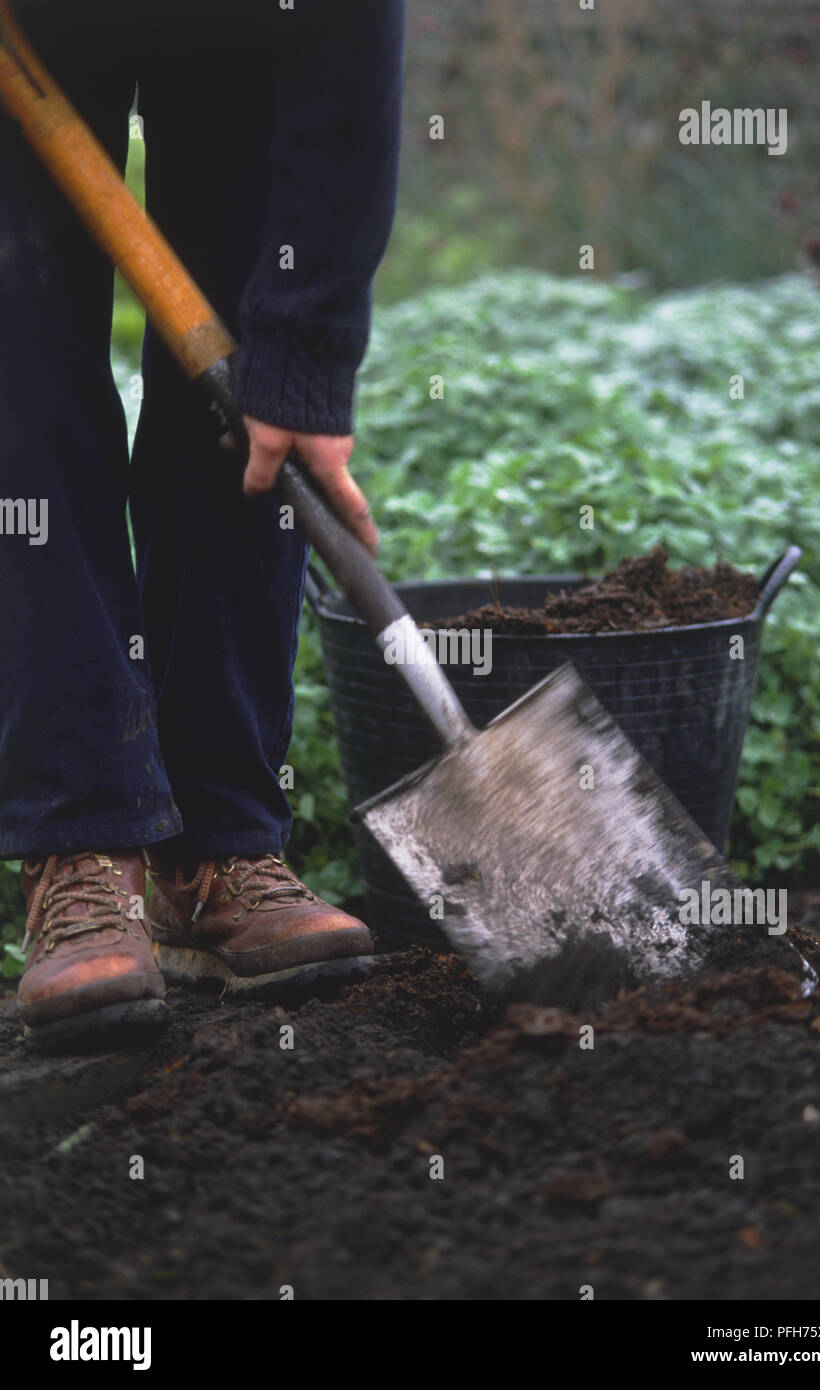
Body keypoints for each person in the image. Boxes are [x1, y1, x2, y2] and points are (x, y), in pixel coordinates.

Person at [0, 0, 405, 1048]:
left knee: (239, 403)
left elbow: (352, 46)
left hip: (245, 29)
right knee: (19, 376)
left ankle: (219, 837)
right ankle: (84, 839)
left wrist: (306, 358)